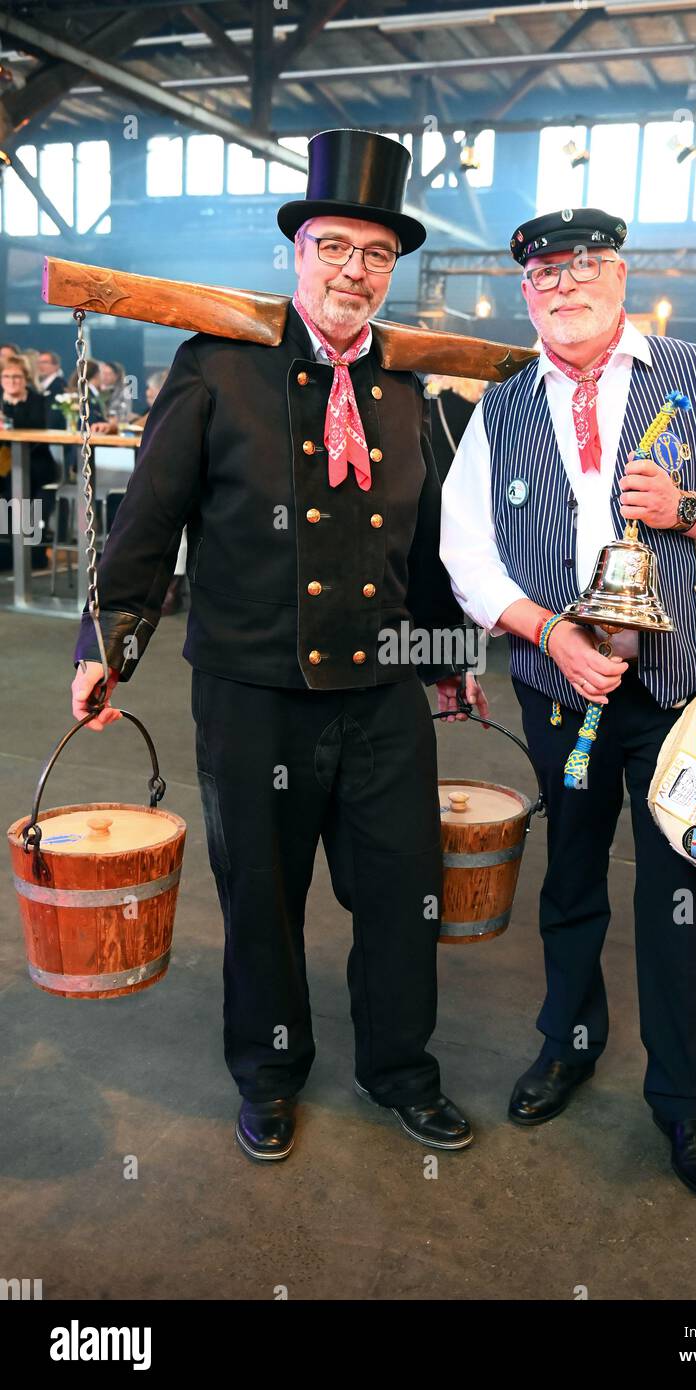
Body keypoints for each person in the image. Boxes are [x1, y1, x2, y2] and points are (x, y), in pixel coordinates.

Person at [70, 129, 486, 1165]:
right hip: (253, 689)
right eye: (336, 247)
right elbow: (150, 519)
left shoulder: (407, 389)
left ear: (394, 271)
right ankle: (268, 1073)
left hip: (383, 691)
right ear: (298, 253)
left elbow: (428, 549)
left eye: (377, 255)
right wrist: (107, 643)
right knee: (263, 896)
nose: (354, 271)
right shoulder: (218, 367)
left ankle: (401, 1068)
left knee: (401, 891)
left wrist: (449, 656)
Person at [441, 207, 696, 1202]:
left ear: (620, 277)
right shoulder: (502, 406)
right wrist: (549, 633)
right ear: (526, 296)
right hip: (562, 689)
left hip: (682, 695)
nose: (566, 284)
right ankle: (571, 1041)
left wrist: (684, 507)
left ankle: (683, 1099)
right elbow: (467, 552)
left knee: (680, 894)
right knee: (573, 877)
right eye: (546, 275)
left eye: (585, 266)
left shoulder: (691, 372)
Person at [0, 353, 59, 558]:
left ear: (25, 379)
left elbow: (39, 427)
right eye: (6, 377)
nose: (11, 382)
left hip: (35, 463)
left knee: (17, 487)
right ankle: (8, 552)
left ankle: (30, 555)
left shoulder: (37, 400)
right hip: (5, 464)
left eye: (16, 377)